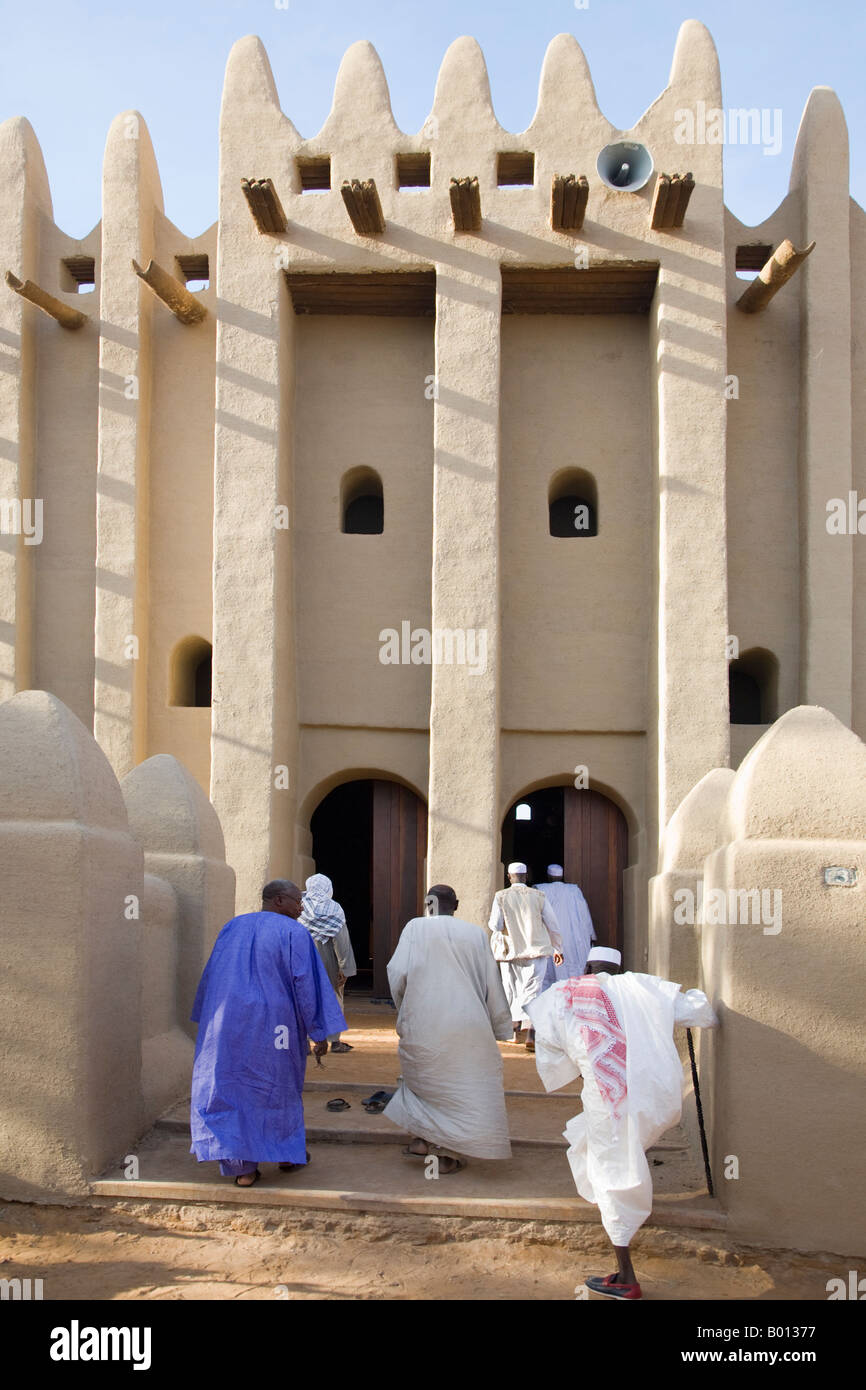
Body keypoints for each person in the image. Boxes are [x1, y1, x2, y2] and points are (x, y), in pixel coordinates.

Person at [527, 945, 718, 1300]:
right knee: (613, 1157)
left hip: (607, 1103)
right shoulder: (641, 987)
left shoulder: (562, 994)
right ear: (620, 969)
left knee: (613, 1174)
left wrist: (583, 1060)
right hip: (653, 1099)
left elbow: (547, 1043)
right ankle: (621, 1217)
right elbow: (702, 1012)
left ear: (586, 966)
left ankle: (626, 1277)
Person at [189, 878, 346, 1187]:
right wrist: (319, 1032)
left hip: (228, 1026)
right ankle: (287, 1154)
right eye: (294, 900)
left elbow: (212, 975)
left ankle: (243, 1169)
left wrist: (207, 1018)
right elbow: (307, 986)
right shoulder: (295, 933)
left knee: (229, 1086)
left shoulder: (232, 927)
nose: (301, 905)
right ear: (277, 901)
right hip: (277, 1028)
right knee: (277, 1087)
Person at [383, 884, 513, 1175]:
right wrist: (500, 1025)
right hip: (468, 1023)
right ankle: (443, 1152)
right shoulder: (475, 934)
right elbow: (492, 982)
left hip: (424, 1021)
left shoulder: (415, 928)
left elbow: (397, 973)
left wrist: (406, 1007)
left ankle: (422, 1140)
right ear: (456, 905)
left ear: (427, 903)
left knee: (424, 1082)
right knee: (458, 1087)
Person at [488, 862, 563, 1051]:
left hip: (510, 952)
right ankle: (530, 1033)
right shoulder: (539, 896)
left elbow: (495, 925)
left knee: (511, 989)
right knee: (533, 991)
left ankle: (513, 1033)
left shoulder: (501, 896)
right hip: (536, 951)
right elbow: (553, 924)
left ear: (509, 877)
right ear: (526, 876)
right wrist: (558, 948)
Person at [299, 873, 357, 1052]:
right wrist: (344, 967)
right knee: (333, 998)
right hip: (328, 960)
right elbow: (341, 941)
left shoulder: (300, 906)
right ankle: (335, 1042)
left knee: (304, 999)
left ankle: (305, 1043)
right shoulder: (334, 908)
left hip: (302, 959)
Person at [536, 864, 596, 983]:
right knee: (572, 972)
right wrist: (591, 935)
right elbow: (584, 915)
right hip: (572, 939)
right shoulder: (574, 890)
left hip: (551, 939)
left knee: (551, 974)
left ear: (548, 876)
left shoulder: (541, 890)